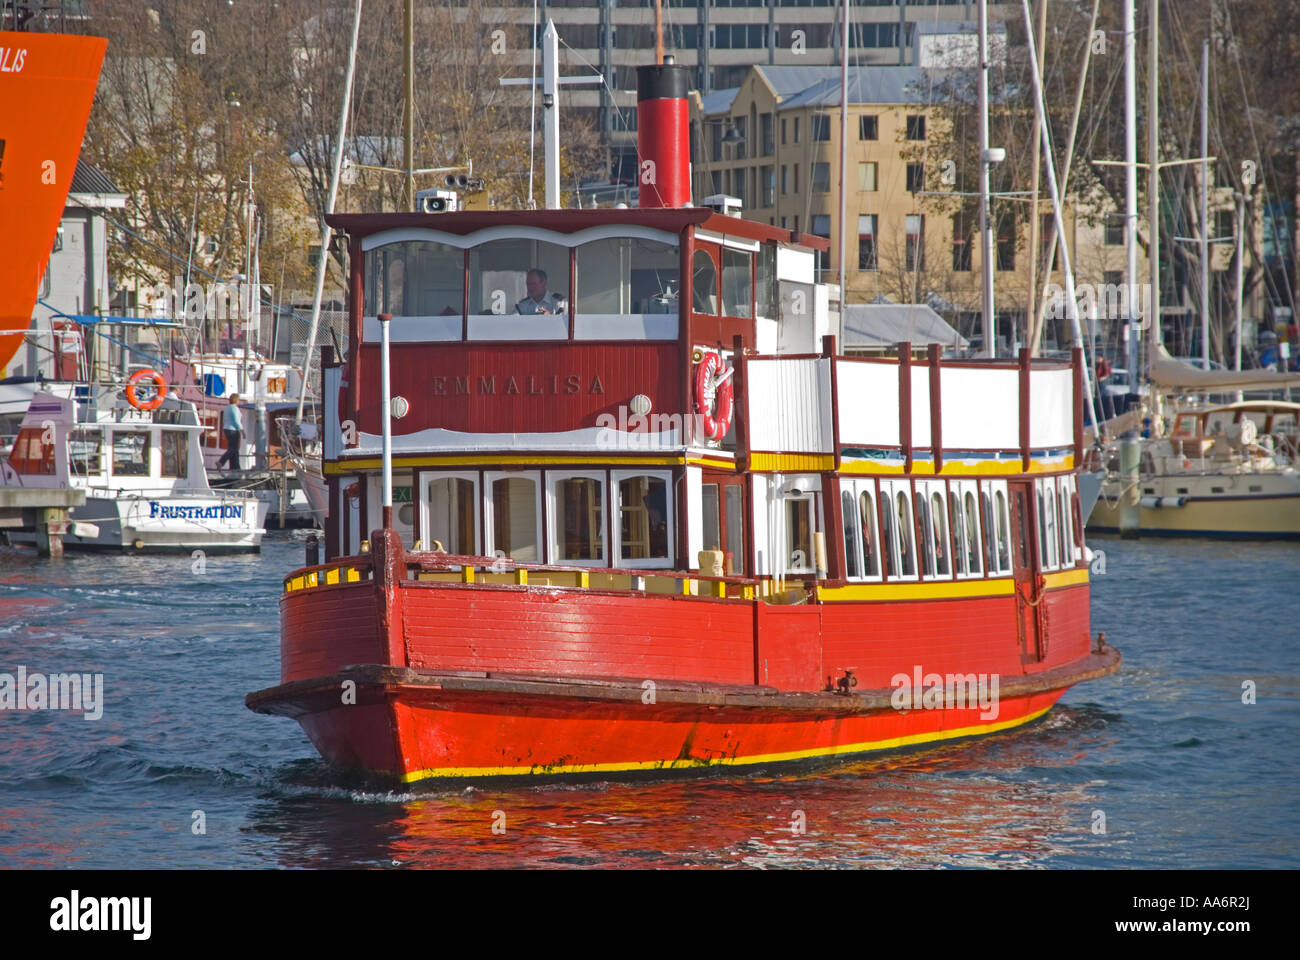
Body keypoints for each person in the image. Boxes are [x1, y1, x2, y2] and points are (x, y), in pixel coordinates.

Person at [215, 394, 242, 470]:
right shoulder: (235, 408)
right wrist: (242, 430)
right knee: (233, 449)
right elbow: (236, 421)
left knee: (233, 449)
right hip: (233, 430)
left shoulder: (226, 408)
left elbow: (224, 420)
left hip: (226, 429)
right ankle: (221, 461)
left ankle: (235, 467)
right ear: (236, 400)